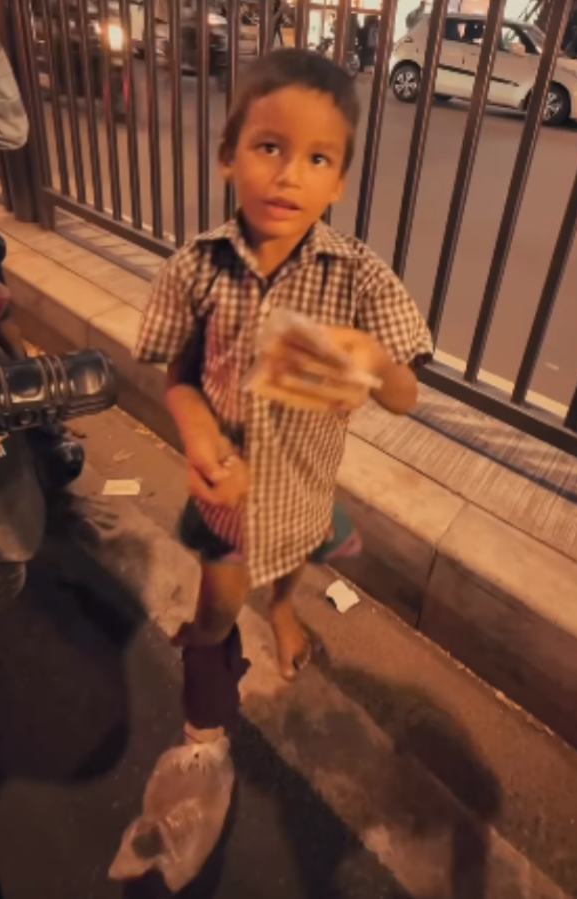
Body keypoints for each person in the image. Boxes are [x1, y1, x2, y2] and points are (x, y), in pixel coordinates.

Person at [132, 49, 432, 740]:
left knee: (293, 558)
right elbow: (176, 374)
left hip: (302, 486)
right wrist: (198, 430)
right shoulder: (198, 267)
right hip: (226, 495)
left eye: (318, 159)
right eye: (270, 147)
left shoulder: (358, 276)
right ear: (228, 157)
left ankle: (285, 608)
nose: (291, 174)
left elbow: (407, 396)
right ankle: (207, 651)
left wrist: (376, 361)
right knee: (216, 605)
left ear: (339, 182)